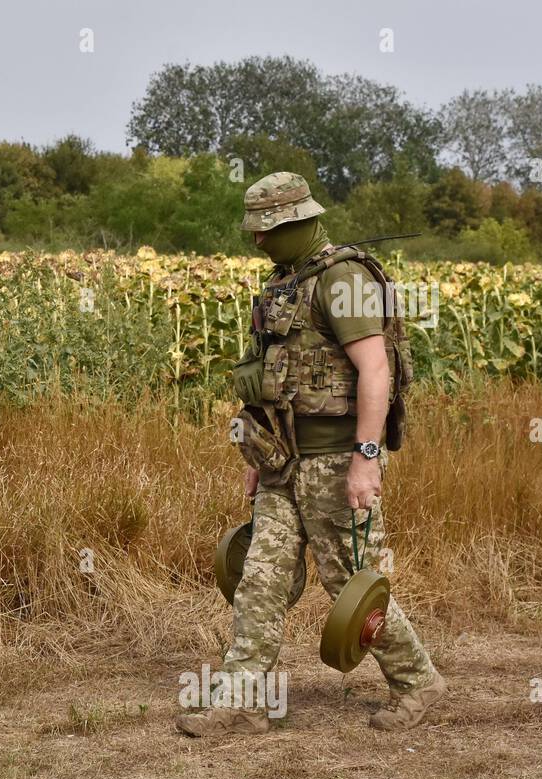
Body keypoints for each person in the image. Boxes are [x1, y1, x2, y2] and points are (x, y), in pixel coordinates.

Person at [175, 172, 445, 737]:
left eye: (266, 230)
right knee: (260, 579)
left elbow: (377, 370)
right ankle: (241, 703)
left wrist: (366, 458)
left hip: (335, 460)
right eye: (253, 230)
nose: (257, 241)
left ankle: (418, 681)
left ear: (299, 222)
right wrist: (256, 459)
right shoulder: (284, 284)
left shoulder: (342, 279)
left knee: (348, 581)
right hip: (281, 463)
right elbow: (273, 383)